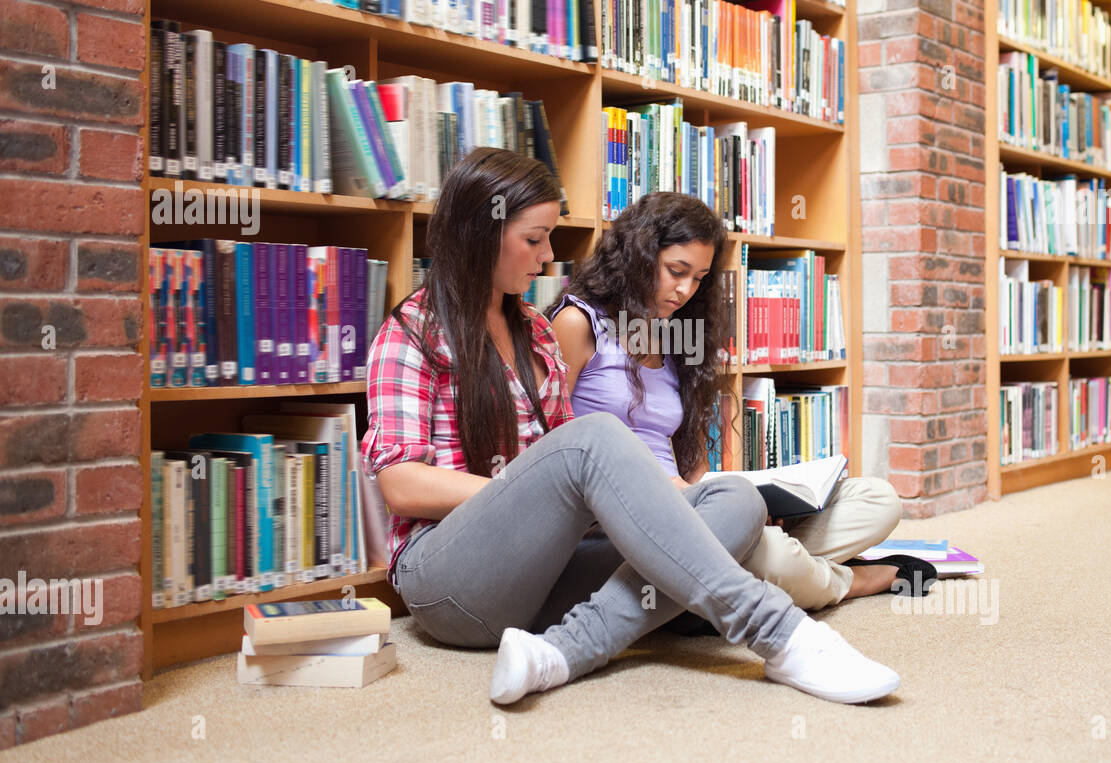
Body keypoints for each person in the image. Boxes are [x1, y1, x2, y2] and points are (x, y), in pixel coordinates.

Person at [361, 148, 902, 706]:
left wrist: (600, 508)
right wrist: (533, 498)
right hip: (448, 581)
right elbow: (401, 485)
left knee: (733, 499)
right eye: (534, 238)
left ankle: (562, 652)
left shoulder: (533, 331)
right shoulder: (412, 333)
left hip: (541, 576)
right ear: (480, 232)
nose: (549, 256)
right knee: (597, 439)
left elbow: (566, 473)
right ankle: (781, 634)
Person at [549, 191, 934, 614]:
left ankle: (745, 569)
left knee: (878, 499)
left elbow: (692, 467)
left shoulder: (678, 336)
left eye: (699, 278)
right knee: (773, 553)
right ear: (637, 257)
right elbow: (549, 456)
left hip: (693, 508)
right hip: (622, 523)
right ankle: (853, 579)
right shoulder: (578, 324)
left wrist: (748, 502)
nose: (684, 291)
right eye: (676, 271)